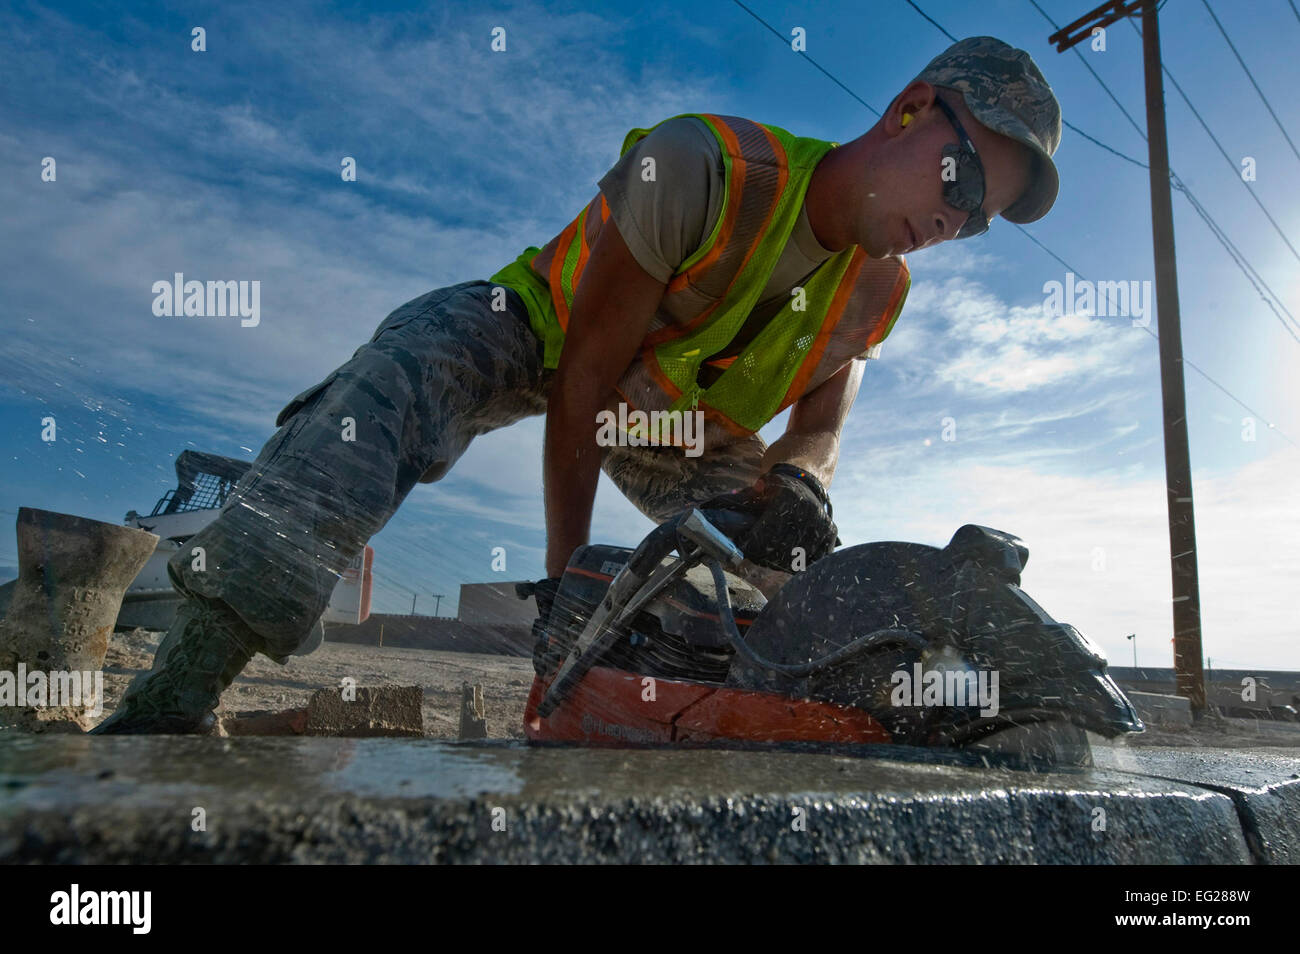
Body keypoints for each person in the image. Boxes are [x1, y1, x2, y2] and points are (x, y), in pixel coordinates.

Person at [92, 35, 1062, 735]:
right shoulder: (701, 168)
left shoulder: (879, 288)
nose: (954, 224)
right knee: (392, 385)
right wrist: (563, 594)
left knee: (782, 555)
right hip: (542, 333)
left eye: (978, 223)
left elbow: (822, 416)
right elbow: (583, 383)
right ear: (907, 112)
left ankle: (739, 716)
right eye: (962, 185)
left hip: (670, 417)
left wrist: (800, 480)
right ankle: (174, 694)